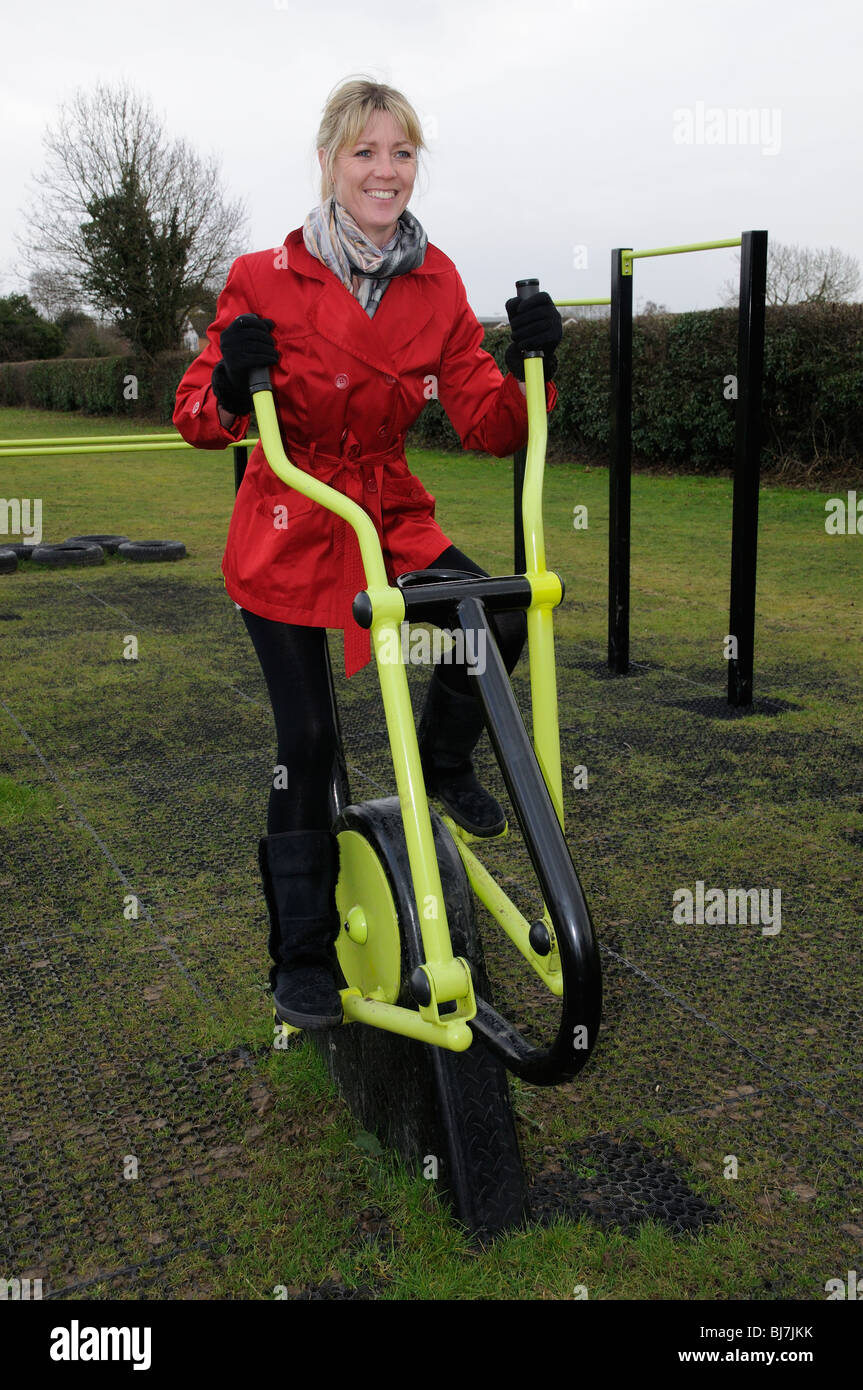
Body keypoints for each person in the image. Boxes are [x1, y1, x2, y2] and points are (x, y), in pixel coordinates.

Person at [174, 77, 562, 1032]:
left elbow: (483, 422)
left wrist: (529, 372)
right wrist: (229, 379)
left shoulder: (436, 281)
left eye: (400, 154)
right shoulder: (264, 275)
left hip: (385, 511)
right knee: (307, 745)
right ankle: (301, 955)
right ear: (328, 162)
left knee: (496, 610)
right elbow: (193, 416)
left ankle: (439, 765)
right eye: (365, 153)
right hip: (292, 522)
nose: (385, 172)